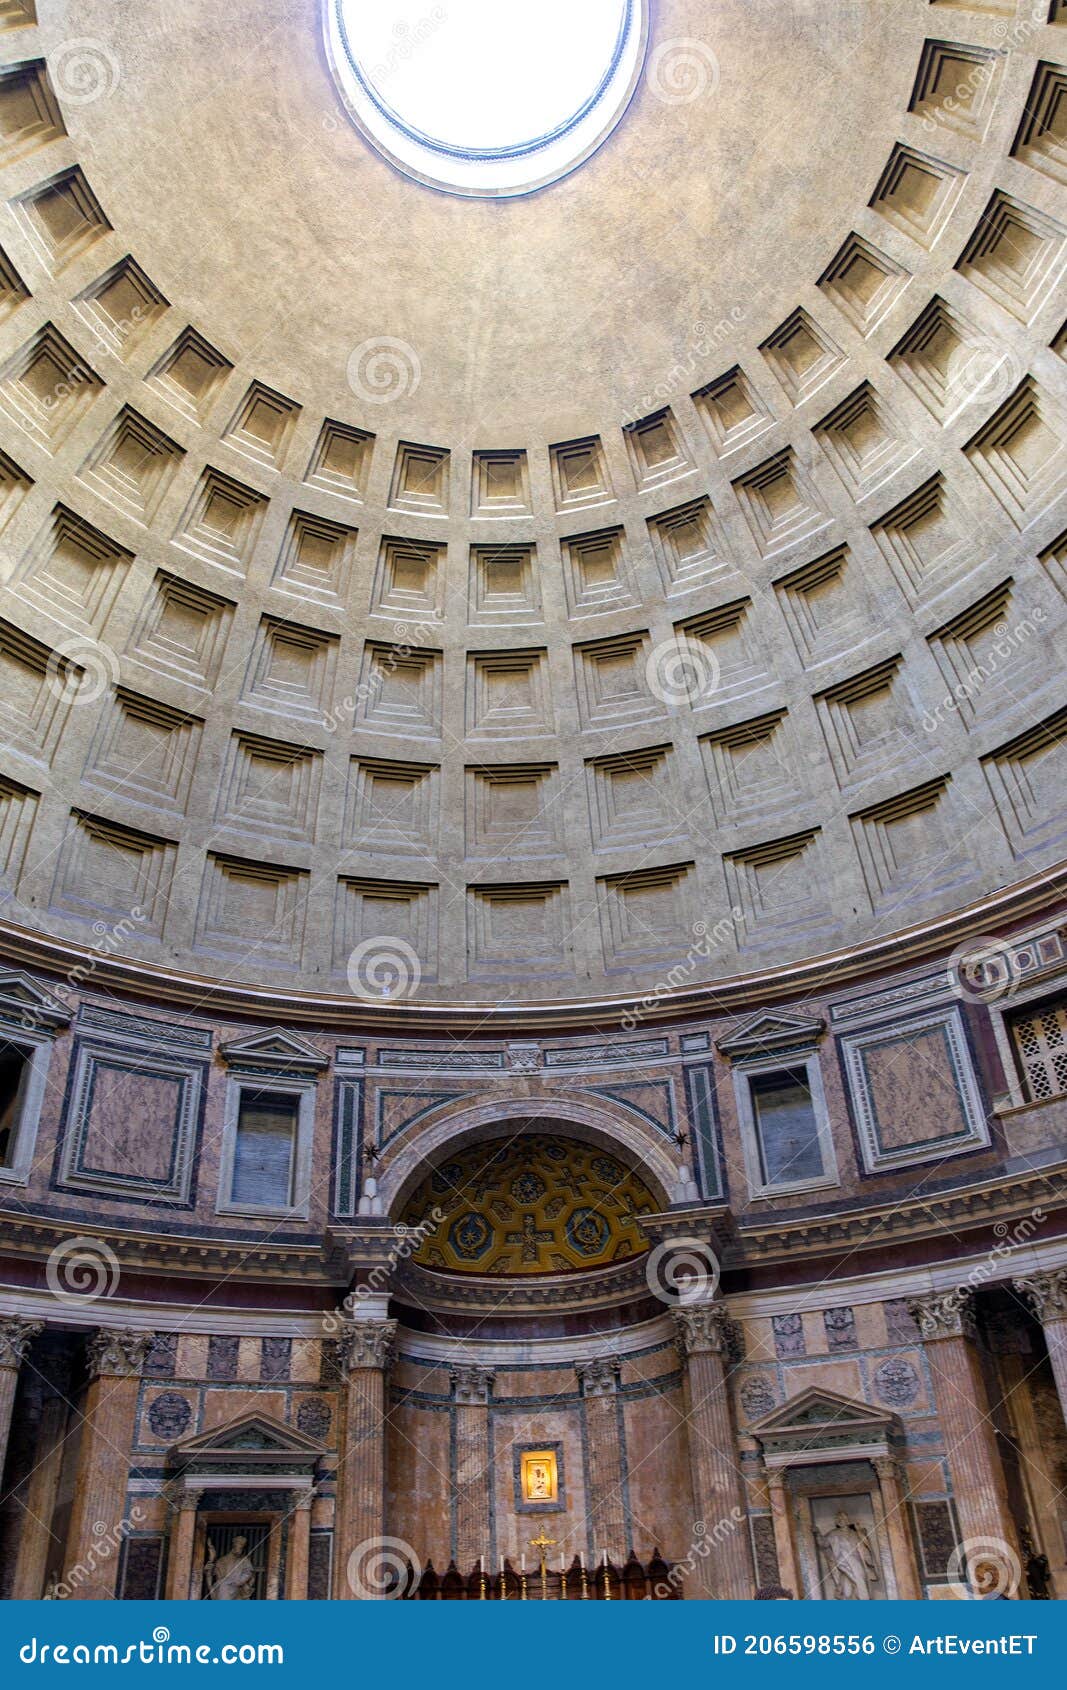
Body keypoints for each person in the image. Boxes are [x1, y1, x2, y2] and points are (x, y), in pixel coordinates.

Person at [816, 1509, 878, 1600]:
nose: (841, 1520)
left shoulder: (854, 1533)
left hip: (857, 1563)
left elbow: (863, 1548)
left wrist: (869, 1561)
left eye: (843, 1518)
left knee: (860, 1582)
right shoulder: (833, 1533)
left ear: (847, 1520)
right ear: (837, 1521)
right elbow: (823, 1543)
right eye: (839, 1519)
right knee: (847, 1587)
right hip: (843, 1564)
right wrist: (817, 1533)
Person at [203, 1534, 256, 1600]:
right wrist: (207, 1569)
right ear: (233, 1546)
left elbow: (248, 1573)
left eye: (242, 1547)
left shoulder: (244, 1561)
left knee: (225, 1587)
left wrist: (238, 1582)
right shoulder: (222, 1560)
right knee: (222, 1586)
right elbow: (213, 1572)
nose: (240, 1549)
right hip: (222, 1586)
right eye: (238, 1546)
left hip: (236, 1586)